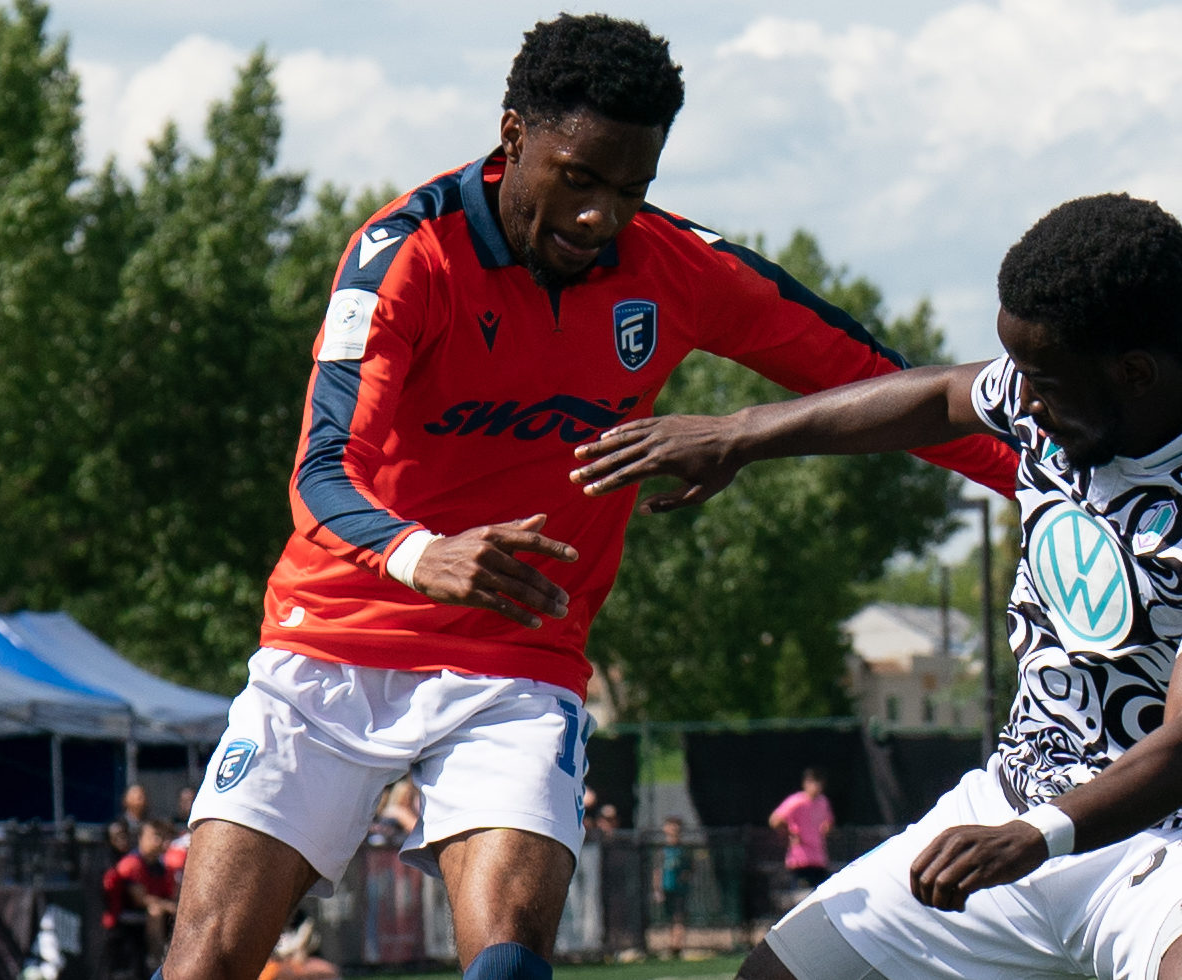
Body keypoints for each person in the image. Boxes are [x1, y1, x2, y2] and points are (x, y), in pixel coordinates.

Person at [159, 13, 1016, 980]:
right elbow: (322, 471)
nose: (601, 217)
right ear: (514, 135)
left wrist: (1059, 482)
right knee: (203, 966)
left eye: (630, 190)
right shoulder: (408, 255)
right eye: (579, 179)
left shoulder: (681, 268)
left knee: (509, 966)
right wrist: (419, 552)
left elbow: (886, 386)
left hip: (517, 663)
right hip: (329, 644)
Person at [573, 193, 1182, 980]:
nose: (1022, 398)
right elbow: (936, 397)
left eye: (1040, 381)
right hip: (1015, 800)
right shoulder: (1061, 382)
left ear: (1134, 374)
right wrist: (740, 434)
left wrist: (1039, 837)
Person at [104, 820, 179, 980]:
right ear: (141, 838)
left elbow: (170, 894)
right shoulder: (131, 863)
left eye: (161, 837)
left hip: (163, 914)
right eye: (154, 836)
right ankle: (157, 961)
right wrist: (167, 905)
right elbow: (141, 899)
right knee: (155, 911)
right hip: (129, 916)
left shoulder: (164, 866)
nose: (158, 841)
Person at [769, 768, 834, 889]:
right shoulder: (796, 801)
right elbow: (775, 820)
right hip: (801, 860)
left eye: (818, 782)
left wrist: (823, 832)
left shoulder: (823, 802)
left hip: (819, 860)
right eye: (812, 782)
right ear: (805, 783)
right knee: (802, 896)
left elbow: (828, 822)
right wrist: (790, 833)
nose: (816, 786)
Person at [654, 816, 690, 959]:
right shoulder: (662, 850)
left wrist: (684, 877)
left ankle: (677, 946)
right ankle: (670, 945)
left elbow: (690, 868)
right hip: (666, 888)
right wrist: (657, 889)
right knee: (668, 918)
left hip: (679, 890)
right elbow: (657, 871)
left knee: (679, 917)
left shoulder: (684, 850)